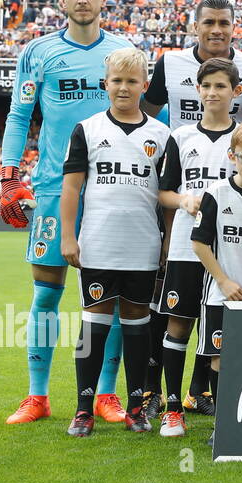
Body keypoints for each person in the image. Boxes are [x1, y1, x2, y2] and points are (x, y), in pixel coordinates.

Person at [2, 0, 135, 426]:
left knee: (112, 299)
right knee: (46, 295)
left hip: (114, 190)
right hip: (55, 190)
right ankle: (37, 396)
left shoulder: (122, 53)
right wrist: (9, 173)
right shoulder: (37, 52)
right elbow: (20, 117)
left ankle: (105, 394)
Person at [60, 48, 170, 436]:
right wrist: (69, 237)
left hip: (142, 246)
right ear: (105, 84)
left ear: (144, 85)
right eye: (116, 81)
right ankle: (83, 409)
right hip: (98, 244)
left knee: (138, 324)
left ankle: (136, 407)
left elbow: (167, 197)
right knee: (94, 325)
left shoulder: (161, 134)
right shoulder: (87, 129)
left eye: (132, 81)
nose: (123, 88)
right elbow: (72, 187)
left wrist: (167, 243)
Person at [151, 58, 240, 425]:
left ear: (236, 92)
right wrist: (183, 200)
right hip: (188, 247)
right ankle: (173, 408)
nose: (212, 92)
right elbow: (164, 192)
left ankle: (215, 403)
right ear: (198, 91)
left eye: (221, 86)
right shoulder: (181, 136)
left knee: (220, 330)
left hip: (231, 250)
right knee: (179, 325)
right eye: (207, 86)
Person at [189, 120, 242, 445]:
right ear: (231, 156)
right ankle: (223, 424)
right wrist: (223, 280)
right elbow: (199, 243)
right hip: (220, 296)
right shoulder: (216, 194)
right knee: (220, 358)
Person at [142, 0, 242, 127]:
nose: (216, 30)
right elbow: (146, 117)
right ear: (196, 27)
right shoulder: (169, 63)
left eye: (224, 23)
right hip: (180, 148)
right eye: (208, 23)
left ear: (233, 28)